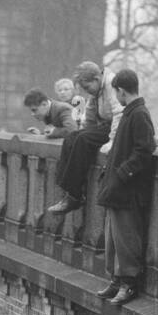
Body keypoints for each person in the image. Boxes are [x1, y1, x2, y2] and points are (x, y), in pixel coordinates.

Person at [95, 68, 157, 306]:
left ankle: (128, 284)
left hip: (127, 191)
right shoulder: (132, 112)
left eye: (117, 93)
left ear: (120, 91)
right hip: (118, 188)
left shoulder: (139, 114)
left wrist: (120, 174)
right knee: (113, 239)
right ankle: (116, 280)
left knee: (126, 239)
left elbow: (144, 151)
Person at [45, 60, 122, 215]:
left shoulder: (111, 84)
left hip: (117, 129)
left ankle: (74, 196)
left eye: (87, 87)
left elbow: (119, 114)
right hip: (105, 126)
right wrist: (81, 131)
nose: (87, 92)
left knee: (83, 140)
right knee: (72, 137)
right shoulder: (97, 88)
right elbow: (90, 112)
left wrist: (113, 140)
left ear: (96, 79)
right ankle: (65, 188)